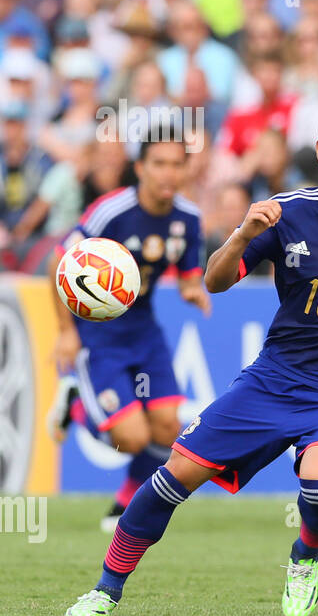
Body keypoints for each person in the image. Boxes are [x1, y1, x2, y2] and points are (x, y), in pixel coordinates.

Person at [65, 96, 318, 616]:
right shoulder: (285, 213)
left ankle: (305, 555)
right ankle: (105, 589)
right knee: (170, 480)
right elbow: (215, 281)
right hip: (272, 381)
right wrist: (243, 235)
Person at [47, 132, 210, 533]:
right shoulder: (112, 212)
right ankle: (75, 402)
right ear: (140, 168)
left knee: (169, 430)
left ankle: (123, 506)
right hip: (99, 333)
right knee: (132, 438)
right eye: (159, 163)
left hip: (144, 331)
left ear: (186, 169)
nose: (168, 173)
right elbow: (60, 263)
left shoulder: (187, 217)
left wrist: (194, 292)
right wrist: (67, 332)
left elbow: (189, 276)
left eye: (176, 164)